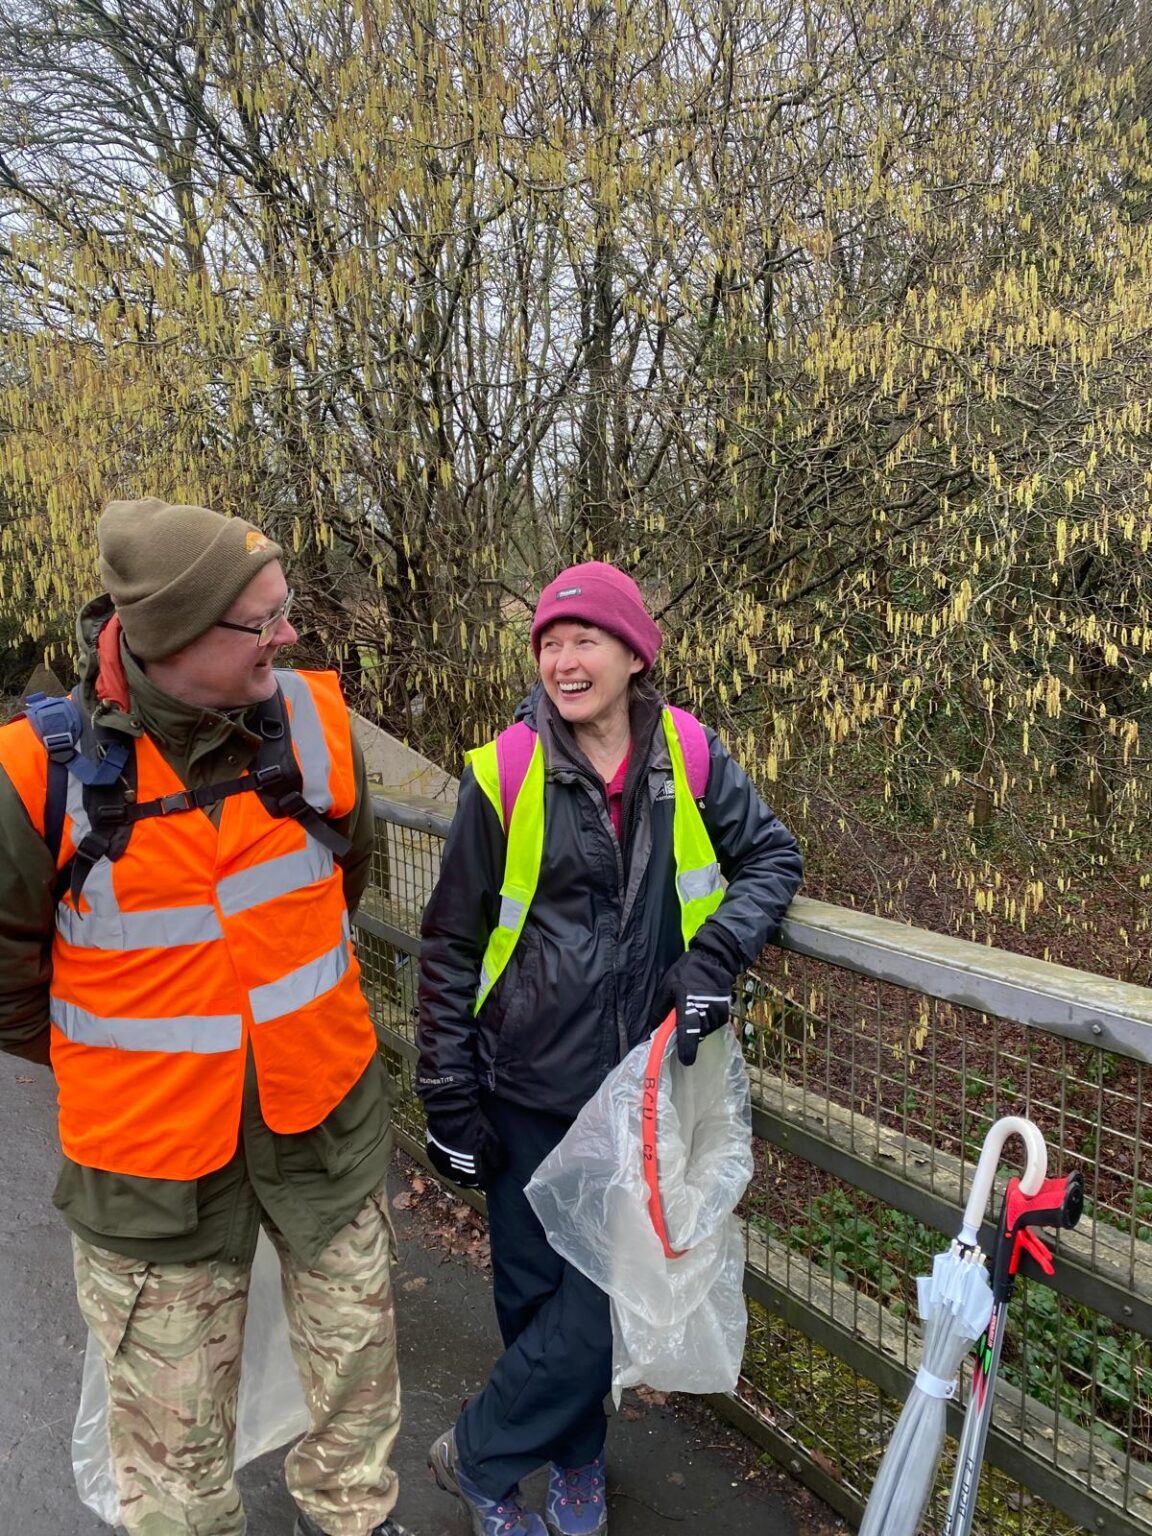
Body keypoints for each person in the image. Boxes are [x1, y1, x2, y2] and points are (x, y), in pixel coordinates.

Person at [0, 498, 413, 1536]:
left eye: (285, 611)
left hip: (323, 1127)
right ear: (176, 636)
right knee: (175, 1467)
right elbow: (8, 985)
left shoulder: (315, 726)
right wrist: (129, 1061)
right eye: (262, 620)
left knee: (359, 1396)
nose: (288, 634)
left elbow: (338, 888)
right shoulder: (30, 779)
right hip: (149, 1176)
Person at [416, 561, 803, 1536]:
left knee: (605, 1304)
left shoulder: (692, 756)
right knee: (529, 1293)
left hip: (641, 1097)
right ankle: (557, 1460)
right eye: (549, 640)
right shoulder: (508, 770)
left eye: (584, 637)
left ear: (636, 652)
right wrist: (447, 1092)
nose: (562, 656)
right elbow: (452, 939)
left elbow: (772, 856)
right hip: (524, 1085)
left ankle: (484, 1456)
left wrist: (715, 953)